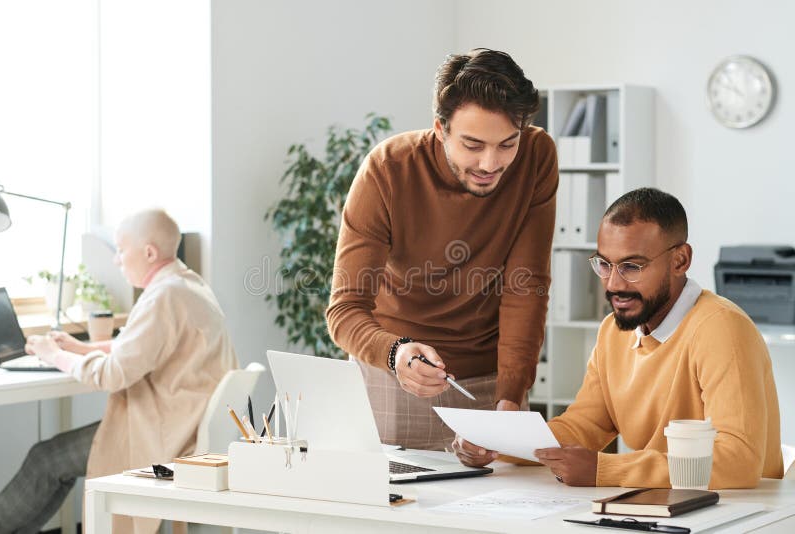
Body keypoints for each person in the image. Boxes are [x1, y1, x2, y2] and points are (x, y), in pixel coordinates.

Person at [453, 188, 784, 489]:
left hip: (741, 514)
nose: (612, 284)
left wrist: (606, 470)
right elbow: (584, 425)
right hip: (668, 506)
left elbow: (739, 460)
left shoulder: (721, 328)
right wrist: (500, 445)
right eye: (604, 265)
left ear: (680, 260)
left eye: (632, 267)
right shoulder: (613, 331)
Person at [325, 49, 558, 450]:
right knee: (395, 508)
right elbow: (344, 311)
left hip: (492, 382)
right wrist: (396, 353)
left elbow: (526, 286)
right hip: (394, 378)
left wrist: (511, 395)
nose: (490, 163)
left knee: (496, 509)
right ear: (440, 128)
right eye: (473, 144)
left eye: (507, 144)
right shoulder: (387, 169)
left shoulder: (537, 156)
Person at [0, 209, 238, 533]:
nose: (116, 260)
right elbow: (145, 347)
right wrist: (81, 348)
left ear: (149, 253)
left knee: (47, 459)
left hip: (166, 436)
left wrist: (54, 355)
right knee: (51, 459)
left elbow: (111, 375)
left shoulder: (162, 297)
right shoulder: (187, 284)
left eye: (121, 250)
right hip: (185, 424)